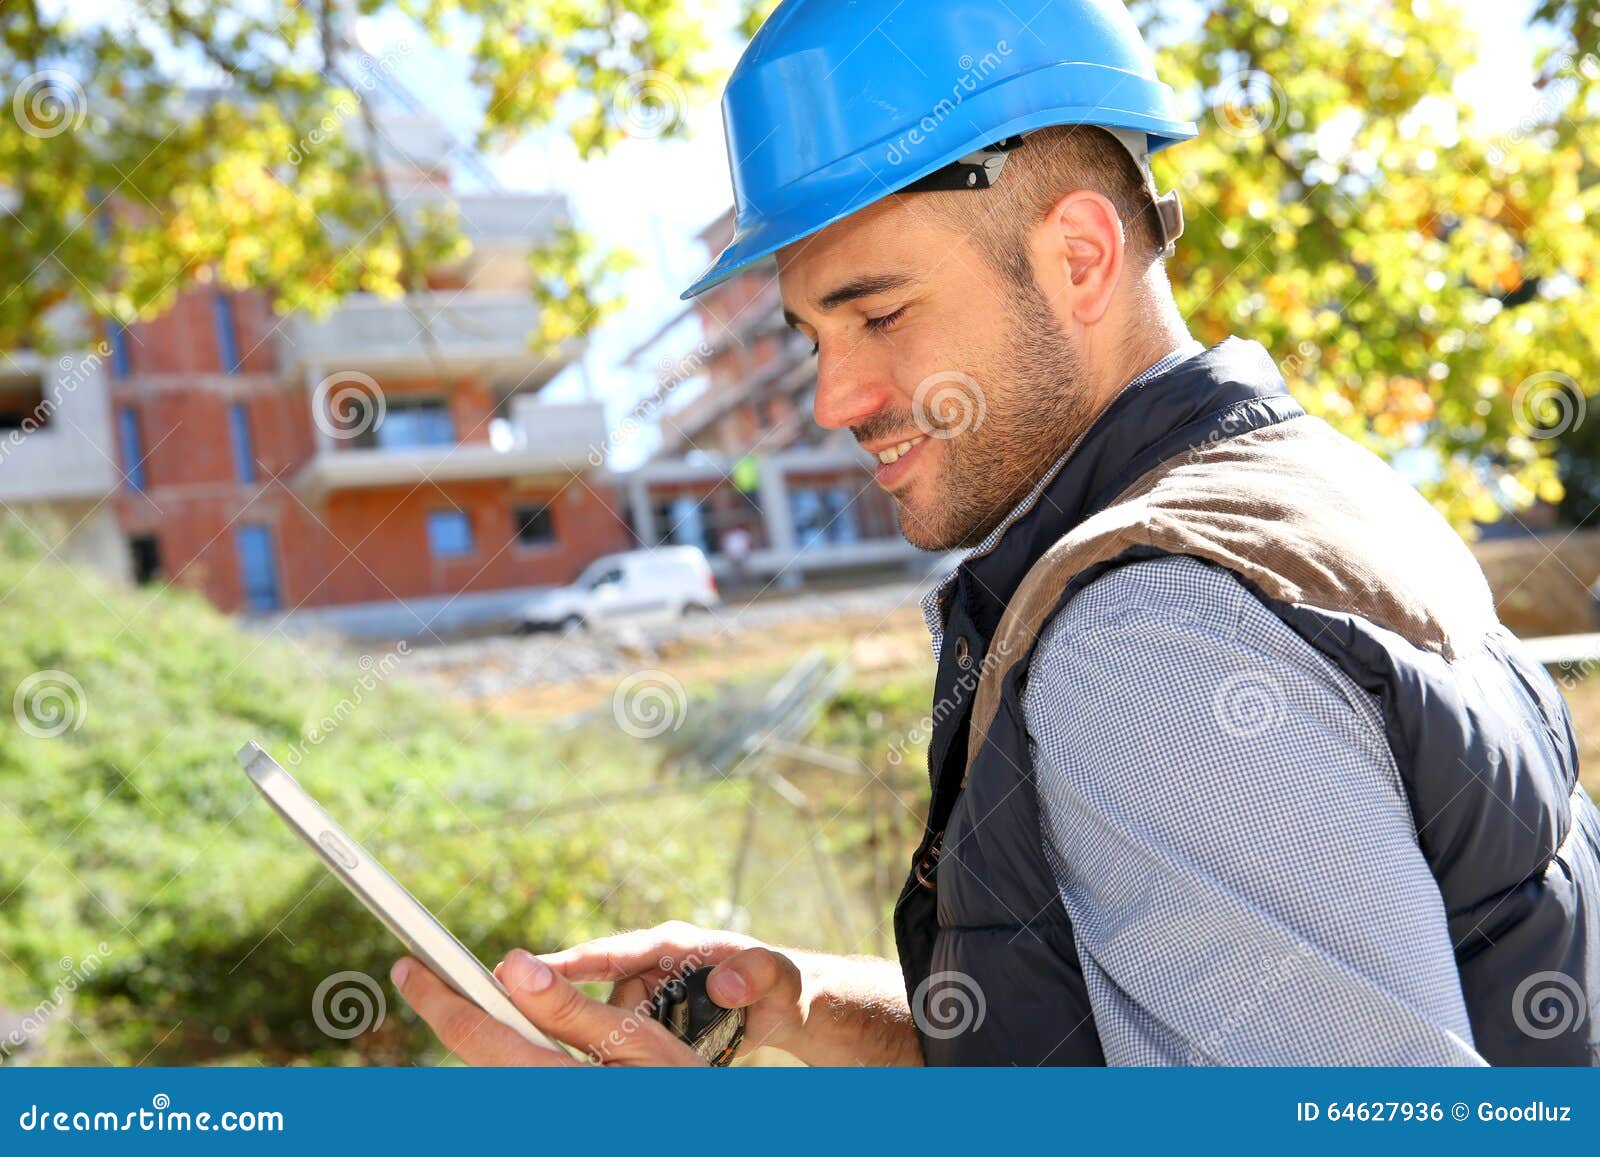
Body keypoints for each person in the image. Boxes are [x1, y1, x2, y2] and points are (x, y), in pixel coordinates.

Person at [393, 0, 1600, 1066]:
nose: (833, 399)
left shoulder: (1152, 640)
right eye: (817, 337)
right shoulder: (1307, 489)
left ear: (1077, 256)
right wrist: (813, 1006)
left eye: (879, 313)